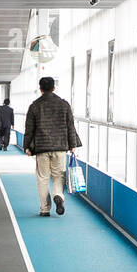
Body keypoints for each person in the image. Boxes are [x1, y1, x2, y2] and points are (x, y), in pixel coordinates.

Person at [23, 76, 82, 216]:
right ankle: (58, 196)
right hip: (60, 147)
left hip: (42, 148)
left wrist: (27, 147)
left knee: (43, 178)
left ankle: (44, 209)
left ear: (40, 89)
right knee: (58, 176)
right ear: (54, 88)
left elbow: (29, 129)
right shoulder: (64, 104)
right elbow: (70, 126)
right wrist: (72, 144)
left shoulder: (34, 106)